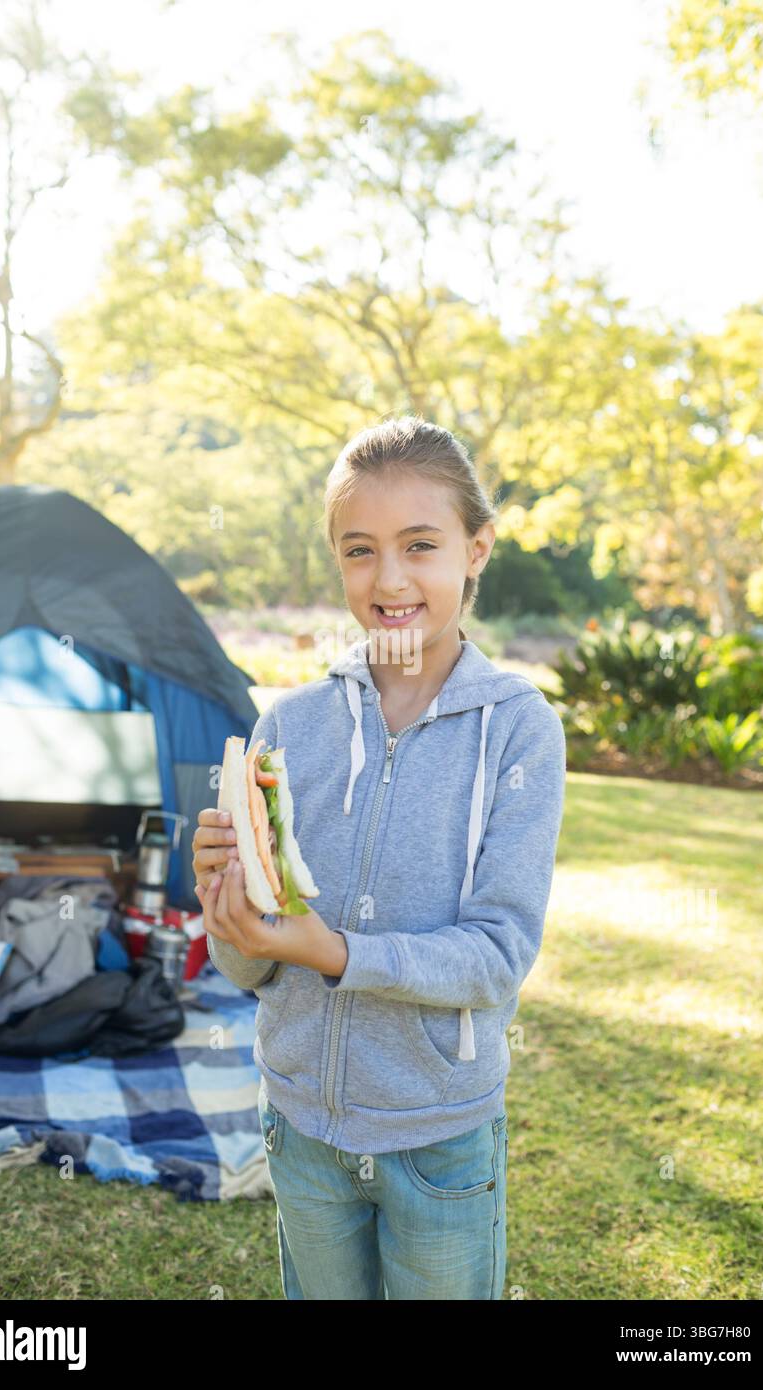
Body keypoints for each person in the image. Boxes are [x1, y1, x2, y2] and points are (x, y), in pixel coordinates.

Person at [193, 415, 566, 1300]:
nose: (390, 579)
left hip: (438, 1137)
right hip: (302, 1129)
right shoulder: (289, 725)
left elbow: (497, 954)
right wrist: (229, 903)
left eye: (420, 545)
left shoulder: (517, 729)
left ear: (475, 550)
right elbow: (249, 967)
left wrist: (338, 954)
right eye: (360, 551)